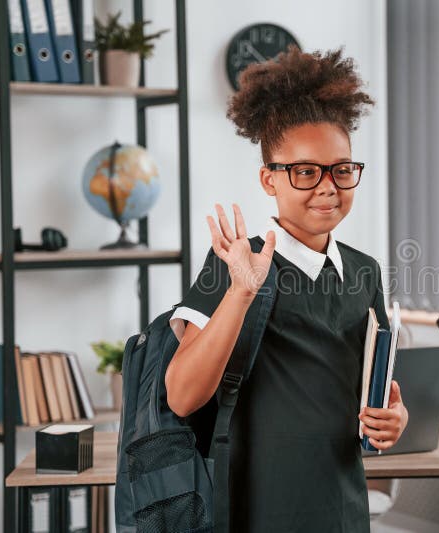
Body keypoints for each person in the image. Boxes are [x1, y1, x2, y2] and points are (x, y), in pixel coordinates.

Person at [163, 46, 408, 532]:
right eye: (304, 171)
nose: (327, 187)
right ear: (268, 180)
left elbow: (373, 392)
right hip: (258, 508)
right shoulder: (235, 263)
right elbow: (182, 396)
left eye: (341, 169)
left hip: (342, 506)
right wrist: (242, 291)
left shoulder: (364, 272)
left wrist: (394, 417)